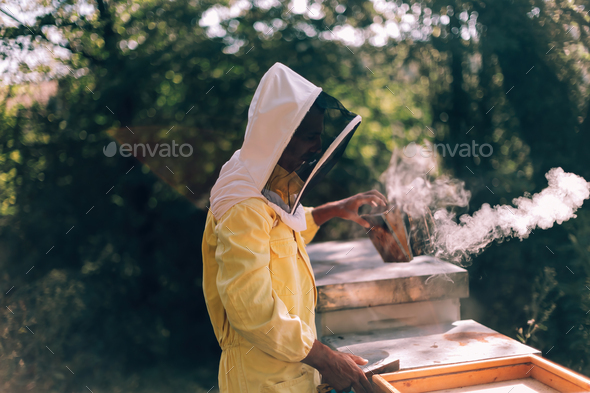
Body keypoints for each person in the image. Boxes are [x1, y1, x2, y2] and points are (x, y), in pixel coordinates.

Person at [202, 62, 387, 393]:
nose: (317, 148)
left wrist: (333, 210)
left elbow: (278, 236)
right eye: (310, 137)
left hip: (288, 373)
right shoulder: (244, 204)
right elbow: (251, 308)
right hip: (261, 381)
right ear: (279, 135)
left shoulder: (259, 179)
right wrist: (326, 358)